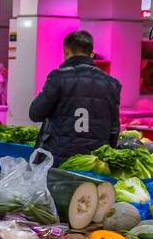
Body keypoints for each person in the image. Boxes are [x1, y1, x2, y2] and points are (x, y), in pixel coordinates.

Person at [29, 30, 122, 165]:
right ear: (92, 54)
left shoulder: (58, 77)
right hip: (93, 161)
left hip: (58, 158)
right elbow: (114, 128)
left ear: (66, 51)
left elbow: (35, 114)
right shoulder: (112, 83)